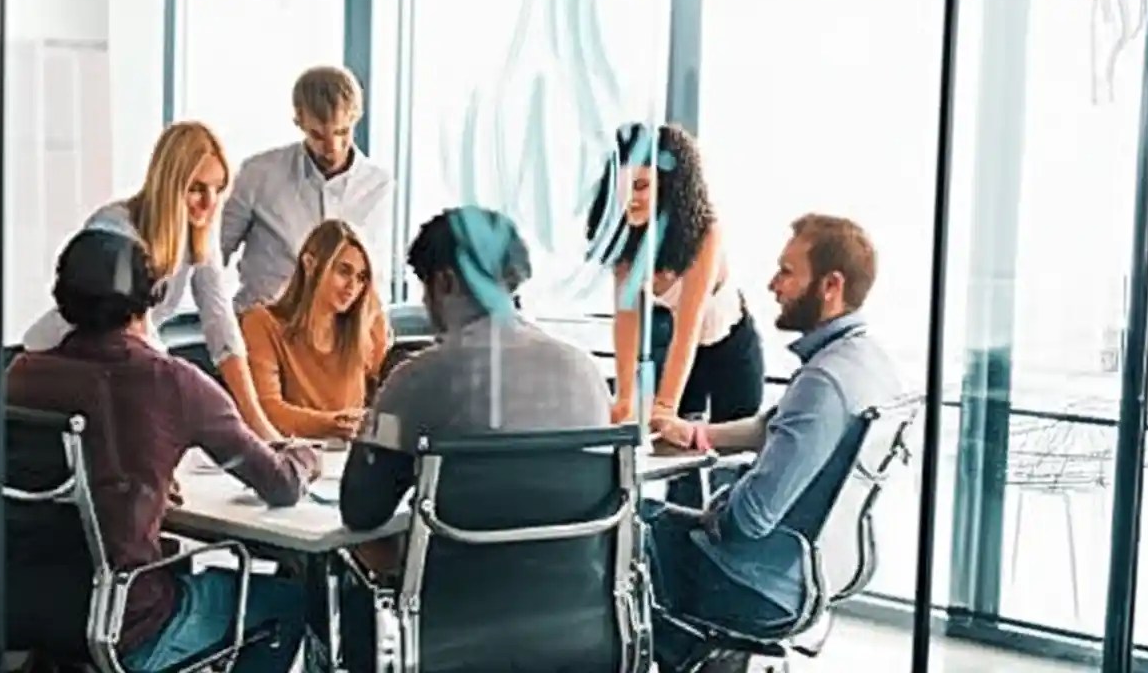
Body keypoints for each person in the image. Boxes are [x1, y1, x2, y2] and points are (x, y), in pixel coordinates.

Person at [7, 229, 320, 673]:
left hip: (21, 607)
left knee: (174, 570)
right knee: (289, 601)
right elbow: (281, 485)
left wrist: (139, 478)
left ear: (62, 298)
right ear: (152, 296)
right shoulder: (171, 382)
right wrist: (306, 457)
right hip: (129, 624)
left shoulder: (21, 375)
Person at [336, 206, 611, 671]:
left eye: (425, 288)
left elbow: (361, 509)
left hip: (456, 637)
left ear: (444, 283)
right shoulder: (585, 373)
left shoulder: (418, 378)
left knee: (353, 577)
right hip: (582, 632)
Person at [645, 214, 902, 673]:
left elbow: (749, 520)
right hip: (811, 571)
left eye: (786, 271)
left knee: (631, 530)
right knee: (659, 522)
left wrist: (716, 503)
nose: (772, 285)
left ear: (830, 285)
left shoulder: (822, 382)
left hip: (758, 585)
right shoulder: (866, 362)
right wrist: (697, 434)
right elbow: (777, 426)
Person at [22, 121, 283, 442]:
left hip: (123, 362)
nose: (210, 202)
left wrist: (258, 424)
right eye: (197, 188)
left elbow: (220, 324)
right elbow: (121, 328)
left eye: (219, 188)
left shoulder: (199, 232)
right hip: (60, 358)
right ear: (171, 183)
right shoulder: (115, 227)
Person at [586, 122, 763, 428]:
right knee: (670, 443)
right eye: (622, 187)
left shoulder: (705, 235)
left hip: (730, 346)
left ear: (670, 186)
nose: (630, 199)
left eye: (641, 186)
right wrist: (626, 398)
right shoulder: (627, 241)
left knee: (731, 449)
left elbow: (688, 326)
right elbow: (627, 320)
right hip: (678, 349)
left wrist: (666, 405)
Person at [222, 65, 396, 313]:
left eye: (342, 132)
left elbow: (375, 276)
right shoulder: (258, 174)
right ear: (299, 122)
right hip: (263, 325)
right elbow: (211, 257)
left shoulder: (378, 185)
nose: (332, 148)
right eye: (318, 135)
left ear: (357, 116)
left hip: (340, 335)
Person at [241, 220, 390, 442]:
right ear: (309, 264)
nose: (353, 287)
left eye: (361, 278)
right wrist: (335, 424)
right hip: (292, 455)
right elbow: (268, 410)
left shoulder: (365, 327)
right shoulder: (262, 323)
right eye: (343, 271)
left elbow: (394, 396)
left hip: (350, 457)